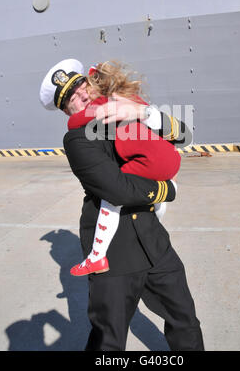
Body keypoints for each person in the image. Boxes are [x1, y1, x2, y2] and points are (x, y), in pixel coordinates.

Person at [39, 58, 204, 351]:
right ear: (65, 110)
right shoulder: (77, 139)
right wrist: (168, 189)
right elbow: (118, 190)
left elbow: (185, 136)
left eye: (80, 86)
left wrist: (143, 112)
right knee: (109, 339)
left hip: (153, 240)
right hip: (112, 250)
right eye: (70, 99)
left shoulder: (127, 111)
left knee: (185, 320)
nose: (80, 95)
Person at [66, 61, 181, 276]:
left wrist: (74, 117)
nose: (84, 96)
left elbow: (74, 122)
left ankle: (97, 256)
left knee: (112, 198)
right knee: (154, 200)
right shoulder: (130, 100)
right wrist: (145, 112)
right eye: (74, 98)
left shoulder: (103, 106)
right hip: (171, 158)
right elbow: (182, 135)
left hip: (149, 161)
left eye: (85, 89)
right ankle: (155, 221)